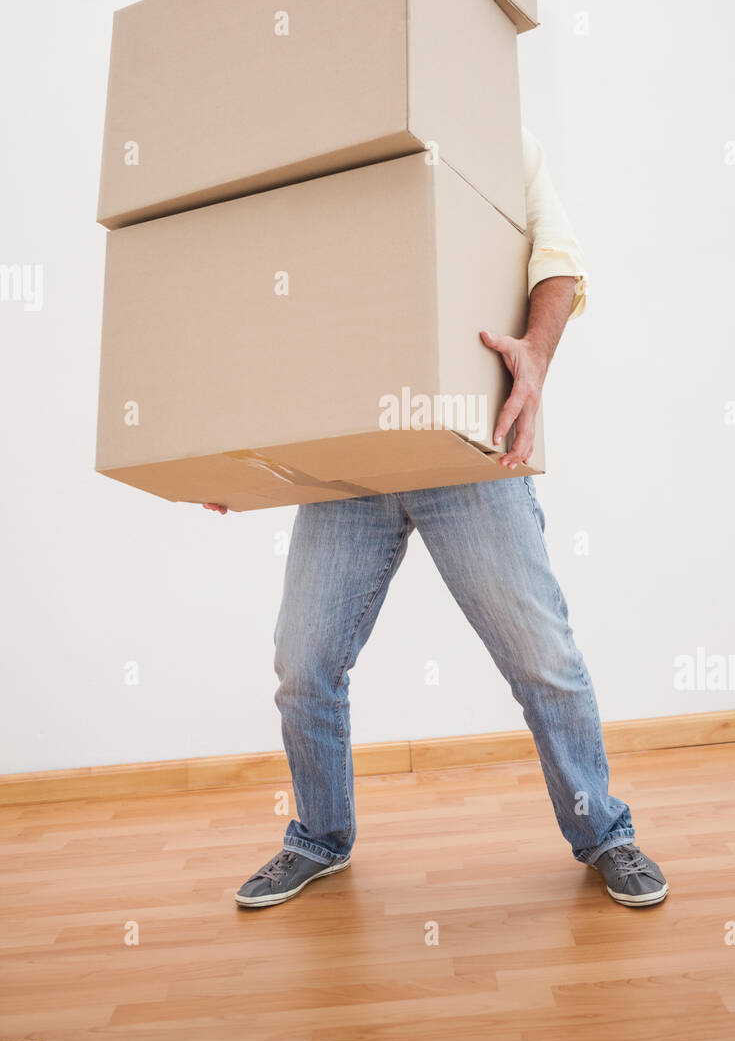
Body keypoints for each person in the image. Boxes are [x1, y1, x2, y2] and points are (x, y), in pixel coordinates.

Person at [206, 130, 668, 911]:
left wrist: (537, 351)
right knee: (302, 664)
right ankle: (319, 836)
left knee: (542, 658)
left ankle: (606, 834)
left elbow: (556, 258)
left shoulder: (495, 137)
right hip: (353, 460)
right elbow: (270, 300)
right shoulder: (320, 148)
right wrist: (228, 455)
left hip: (468, 449)